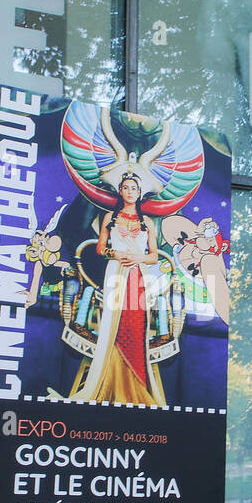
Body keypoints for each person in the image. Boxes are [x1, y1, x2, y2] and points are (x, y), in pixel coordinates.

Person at [69, 173, 164, 406]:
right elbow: (100, 248)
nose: (130, 191)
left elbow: (154, 256)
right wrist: (117, 253)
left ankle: (138, 385)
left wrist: (138, 257)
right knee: (114, 324)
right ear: (120, 191)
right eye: (126, 187)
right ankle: (109, 381)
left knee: (136, 325)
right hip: (115, 273)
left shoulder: (147, 222)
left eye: (134, 188)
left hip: (138, 275)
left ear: (139, 193)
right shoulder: (110, 217)